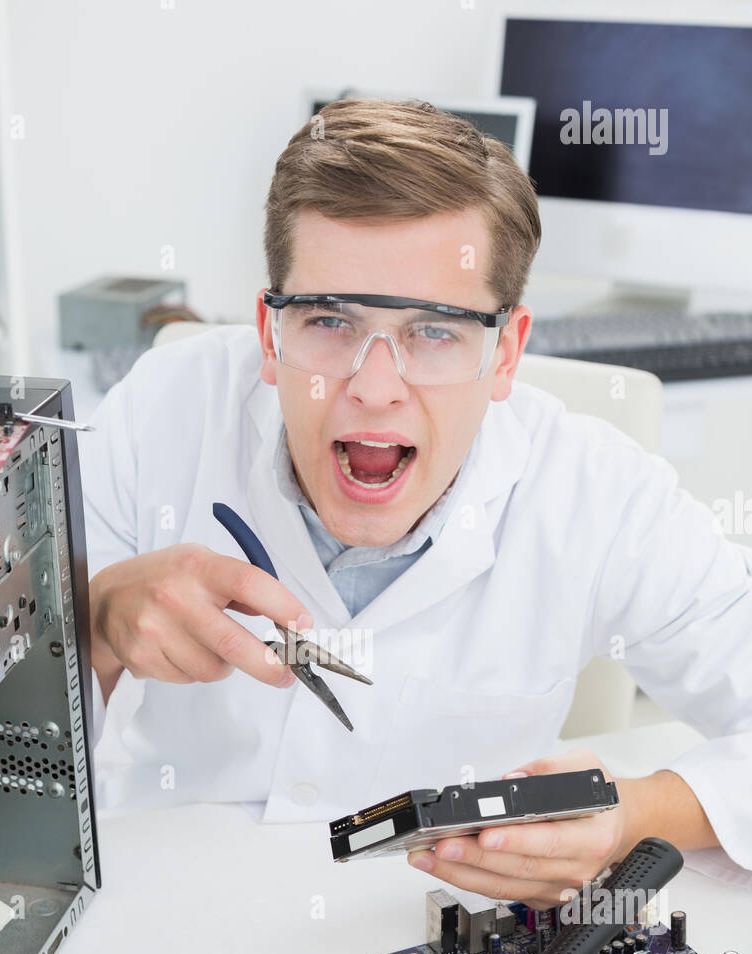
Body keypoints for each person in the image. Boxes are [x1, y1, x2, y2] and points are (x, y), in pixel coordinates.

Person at [81, 98, 752, 906]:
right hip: (155, 913)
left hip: (425, 942)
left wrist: (634, 813)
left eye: (436, 331)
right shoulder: (163, 409)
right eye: (328, 319)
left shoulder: (598, 494)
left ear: (505, 353)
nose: (372, 388)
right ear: (268, 333)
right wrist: (91, 622)